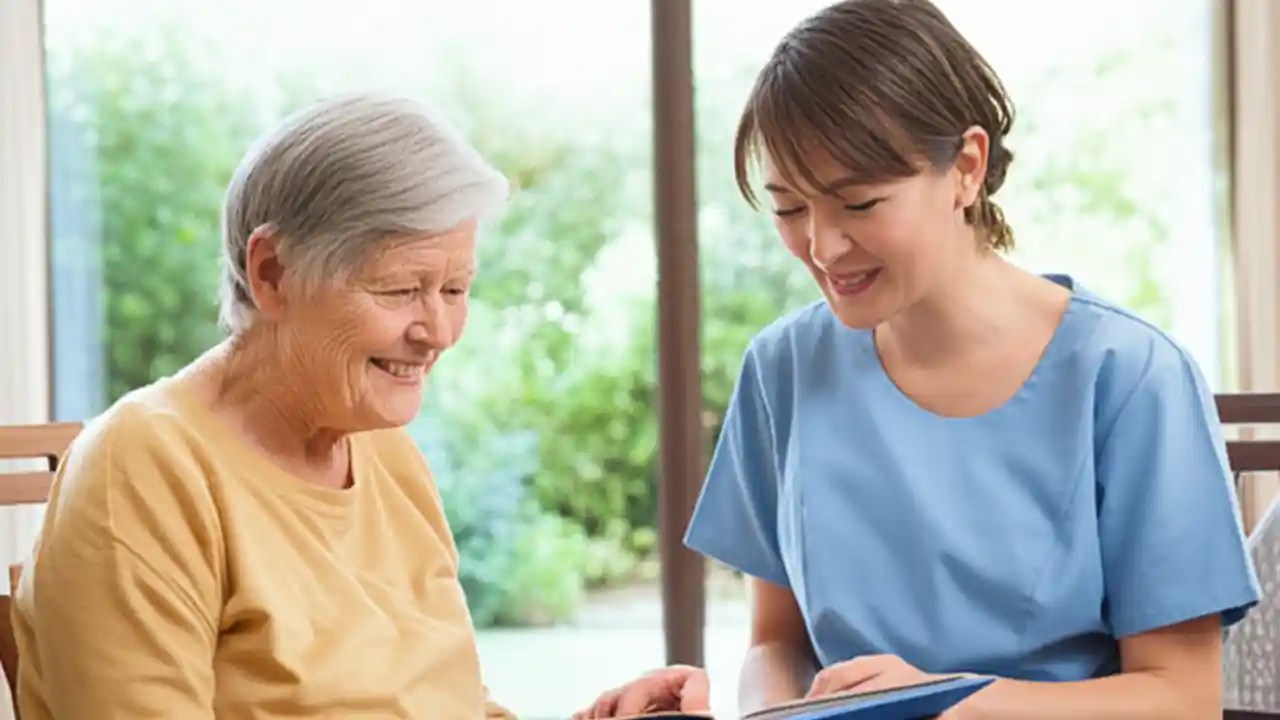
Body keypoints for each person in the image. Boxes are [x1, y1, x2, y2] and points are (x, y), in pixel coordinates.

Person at [574, 0, 1260, 718]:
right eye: (788, 208)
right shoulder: (783, 368)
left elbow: (1182, 697)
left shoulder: (1129, 376)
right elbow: (776, 646)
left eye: (860, 205)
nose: (823, 246)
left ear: (966, 167)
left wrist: (942, 704)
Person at [13, 94, 523, 718]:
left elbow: (449, 703)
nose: (439, 331)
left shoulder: (386, 452)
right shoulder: (144, 468)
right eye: (400, 290)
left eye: (454, 288)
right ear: (273, 273)